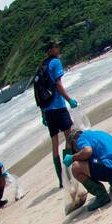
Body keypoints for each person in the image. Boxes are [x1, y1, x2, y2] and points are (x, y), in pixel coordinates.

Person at [35, 38, 79, 189]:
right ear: (50, 50)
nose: (58, 49)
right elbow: (58, 85)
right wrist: (69, 100)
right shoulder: (55, 63)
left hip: (47, 111)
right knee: (69, 137)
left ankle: (61, 180)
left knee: (54, 145)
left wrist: (43, 114)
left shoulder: (42, 66)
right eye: (56, 47)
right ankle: (71, 171)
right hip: (58, 108)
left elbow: (39, 93)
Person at [64, 125, 112, 212]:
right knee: (100, 156)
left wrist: (73, 157)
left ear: (74, 142)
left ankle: (101, 195)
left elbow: (87, 151)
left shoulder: (80, 139)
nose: (76, 152)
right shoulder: (96, 133)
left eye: (74, 150)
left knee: (76, 167)